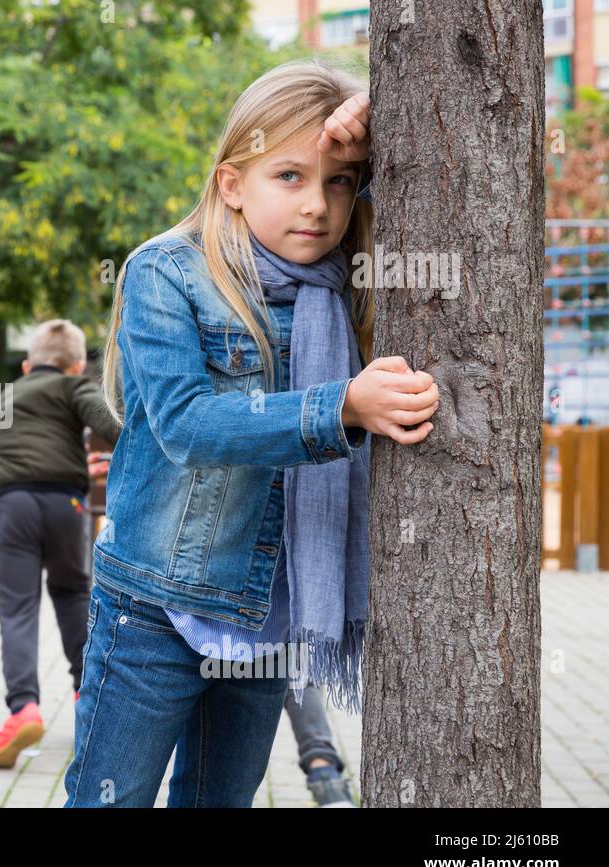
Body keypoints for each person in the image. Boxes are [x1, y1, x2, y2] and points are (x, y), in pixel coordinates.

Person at [64, 60, 441, 807]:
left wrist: (378, 104)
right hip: (153, 607)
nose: (319, 206)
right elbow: (186, 422)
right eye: (290, 177)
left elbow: (438, 158)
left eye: (341, 181)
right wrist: (339, 408)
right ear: (233, 183)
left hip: (268, 615)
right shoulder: (167, 273)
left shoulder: (349, 283)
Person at [0, 319, 120, 769]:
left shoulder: (5, 396)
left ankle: (23, 709)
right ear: (77, 363)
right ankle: (88, 701)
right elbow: (112, 426)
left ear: (27, 365)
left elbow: (22, 454)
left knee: (17, 607)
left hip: (10, 506)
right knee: (72, 594)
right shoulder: (73, 386)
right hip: (64, 506)